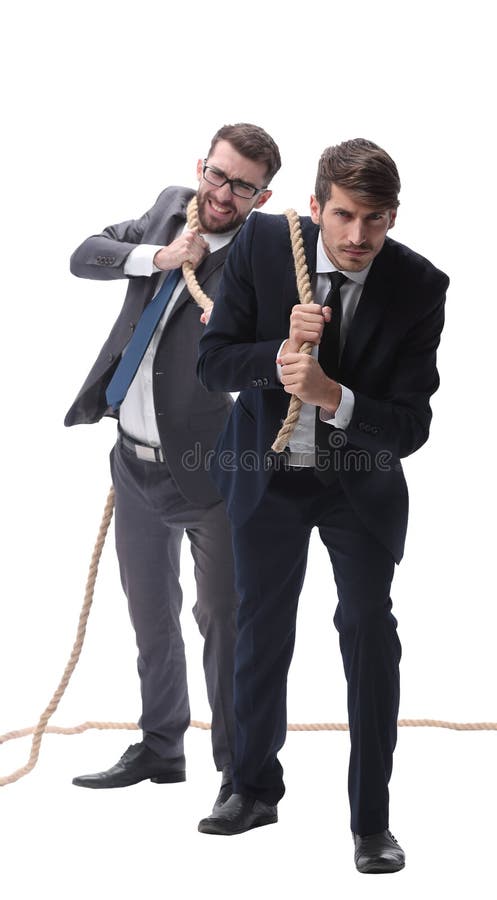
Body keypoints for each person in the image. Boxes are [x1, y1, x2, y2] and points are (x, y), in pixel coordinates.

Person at [195, 139, 449, 873]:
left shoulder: (419, 287)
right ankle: (250, 789)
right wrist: (276, 358)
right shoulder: (266, 245)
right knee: (258, 630)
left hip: (356, 485)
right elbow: (214, 362)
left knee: (369, 630)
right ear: (315, 208)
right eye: (343, 215)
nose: (358, 236)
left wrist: (333, 398)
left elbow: (410, 427)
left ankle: (371, 822)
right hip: (266, 473)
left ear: (392, 217)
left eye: (375, 219)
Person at [64, 123, 281, 807]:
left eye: (242, 185)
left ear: (261, 194)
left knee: (224, 618)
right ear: (201, 166)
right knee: (149, 613)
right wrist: (158, 256)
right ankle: (161, 748)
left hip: (211, 470)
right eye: (218, 174)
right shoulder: (167, 208)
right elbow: (85, 254)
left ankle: (242, 778)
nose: (223, 193)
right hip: (132, 464)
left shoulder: (265, 254)